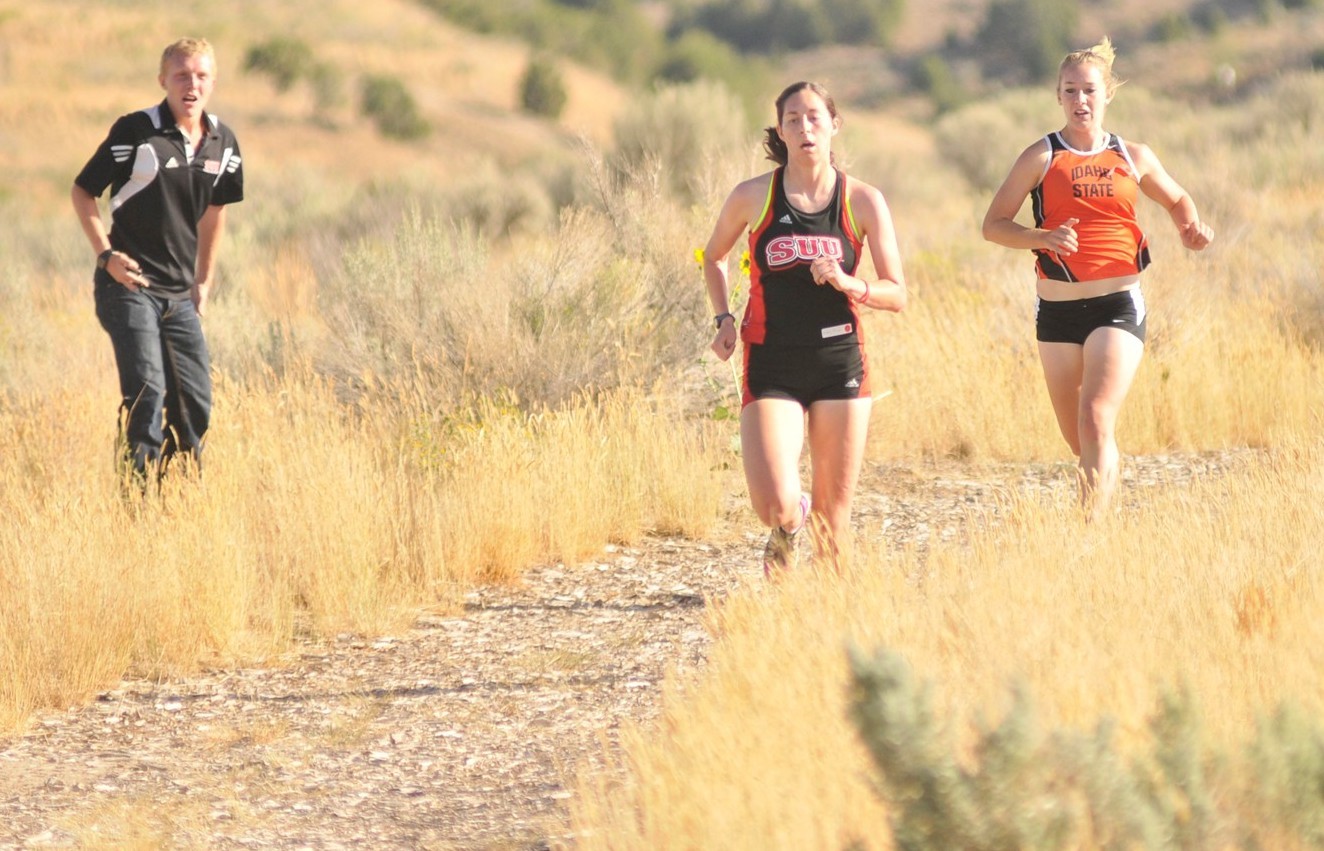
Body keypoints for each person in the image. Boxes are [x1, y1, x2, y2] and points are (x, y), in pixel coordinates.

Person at [982, 37, 1213, 518]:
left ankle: (1091, 533)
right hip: (1058, 312)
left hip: (1118, 304)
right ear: (1059, 97)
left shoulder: (1133, 155)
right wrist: (1041, 238)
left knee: (1095, 417)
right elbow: (994, 225)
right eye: (1070, 91)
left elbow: (1177, 198)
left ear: (1108, 94)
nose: (1080, 101)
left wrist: (1189, 227)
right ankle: (1105, 467)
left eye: (1089, 90)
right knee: (1079, 440)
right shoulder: (1040, 157)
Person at [704, 81, 907, 574]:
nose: (804, 128)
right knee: (774, 501)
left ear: (834, 125)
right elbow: (714, 256)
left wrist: (849, 284)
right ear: (780, 130)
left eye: (814, 117)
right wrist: (724, 317)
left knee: (833, 523)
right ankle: (787, 525)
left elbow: (897, 293)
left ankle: (823, 630)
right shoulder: (754, 196)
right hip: (771, 360)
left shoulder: (862, 200)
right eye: (792, 119)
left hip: (840, 365)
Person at [71, 37, 244, 487]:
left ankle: (179, 498)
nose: (192, 84)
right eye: (182, 75)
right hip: (127, 289)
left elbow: (215, 212)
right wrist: (105, 255)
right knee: (147, 395)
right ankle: (137, 504)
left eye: (201, 75)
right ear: (163, 80)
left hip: (180, 295)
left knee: (194, 403)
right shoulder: (136, 130)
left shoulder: (223, 142)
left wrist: (203, 280)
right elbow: (83, 191)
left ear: (213, 81)